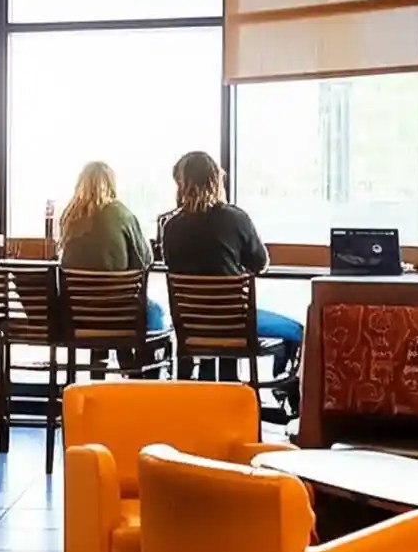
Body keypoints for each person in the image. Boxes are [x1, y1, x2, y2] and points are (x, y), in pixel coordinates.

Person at [161, 151, 303, 405]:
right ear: (217, 180)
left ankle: (207, 396)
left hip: (191, 324)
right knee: (299, 330)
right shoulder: (236, 218)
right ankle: (283, 387)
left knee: (214, 327)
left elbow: (174, 267)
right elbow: (260, 263)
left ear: (181, 184)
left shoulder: (170, 226)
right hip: (235, 322)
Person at [58, 161, 168, 377]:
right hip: (119, 312)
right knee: (156, 312)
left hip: (79, 315)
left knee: (112, 307)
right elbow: (145, 261)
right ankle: (141, 381)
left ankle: (102, 377)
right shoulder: (120, 213)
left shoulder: (68, 217)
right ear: (110, 184)